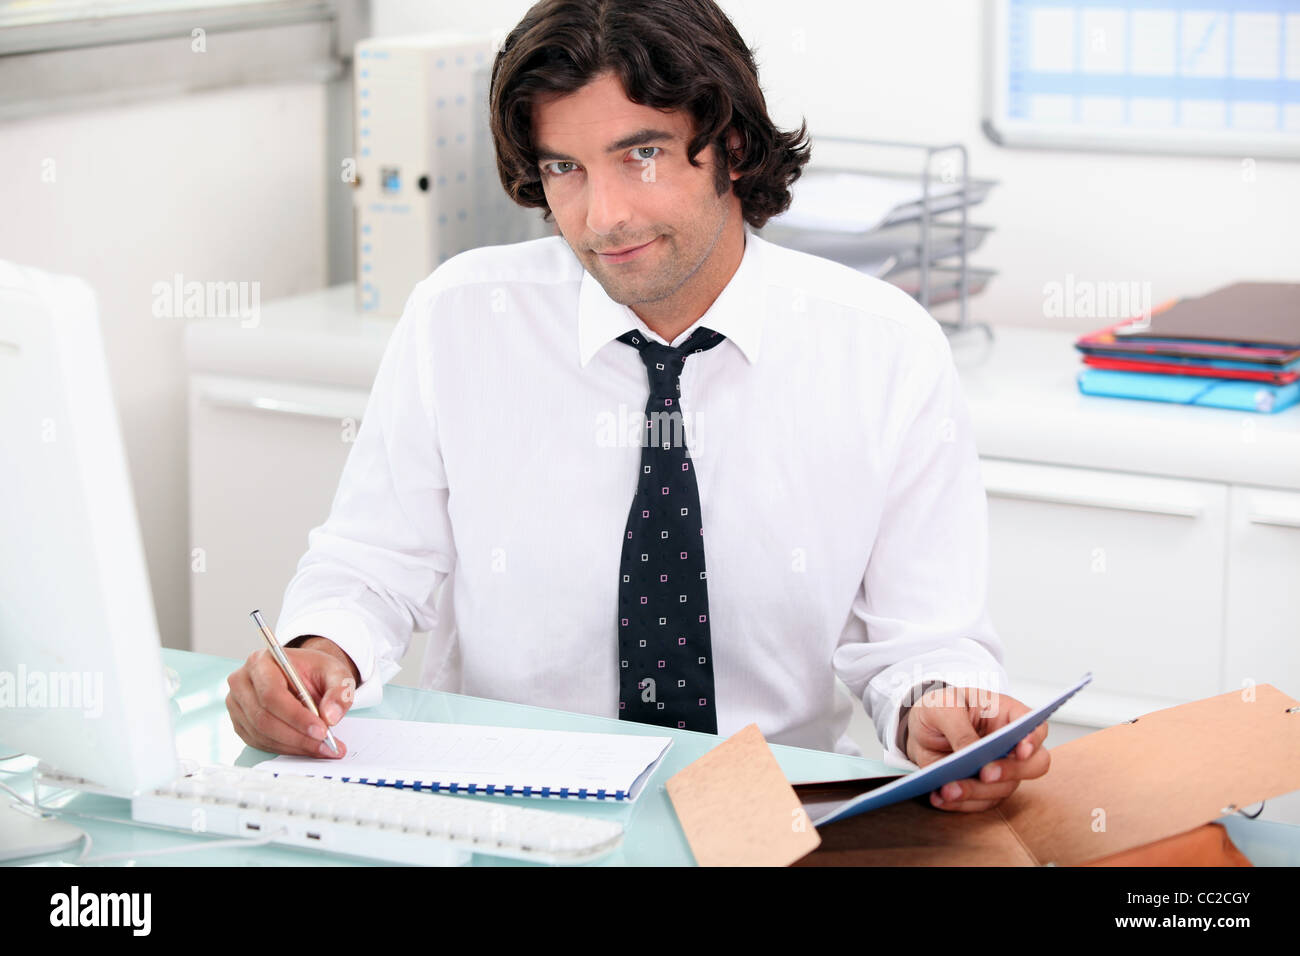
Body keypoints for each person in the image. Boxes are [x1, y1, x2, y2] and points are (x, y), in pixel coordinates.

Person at [226, 0, 1049, 814]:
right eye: (564, 169)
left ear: (728, 144)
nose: (602, 216)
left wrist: (937, 707)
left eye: (641, 156)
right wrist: (320, 647)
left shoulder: (885, 349)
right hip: (505, 801)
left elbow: (922, 639)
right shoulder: (460, 317)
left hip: (770, 811)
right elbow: (372, 564)